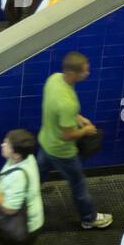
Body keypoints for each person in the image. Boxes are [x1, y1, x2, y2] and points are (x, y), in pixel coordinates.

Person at [37, 53, 113, 230]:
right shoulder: (67, 103)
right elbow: (67, 136)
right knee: (78, 185)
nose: (87, 74)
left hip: (45, 142)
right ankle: (89, 218)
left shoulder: (54, 79)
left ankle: (21, 208)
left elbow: (57, 112)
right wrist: (86, 130)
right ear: (72, 73)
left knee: (36, 178)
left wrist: (78, 118)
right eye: (84, 71)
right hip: (62, 151)